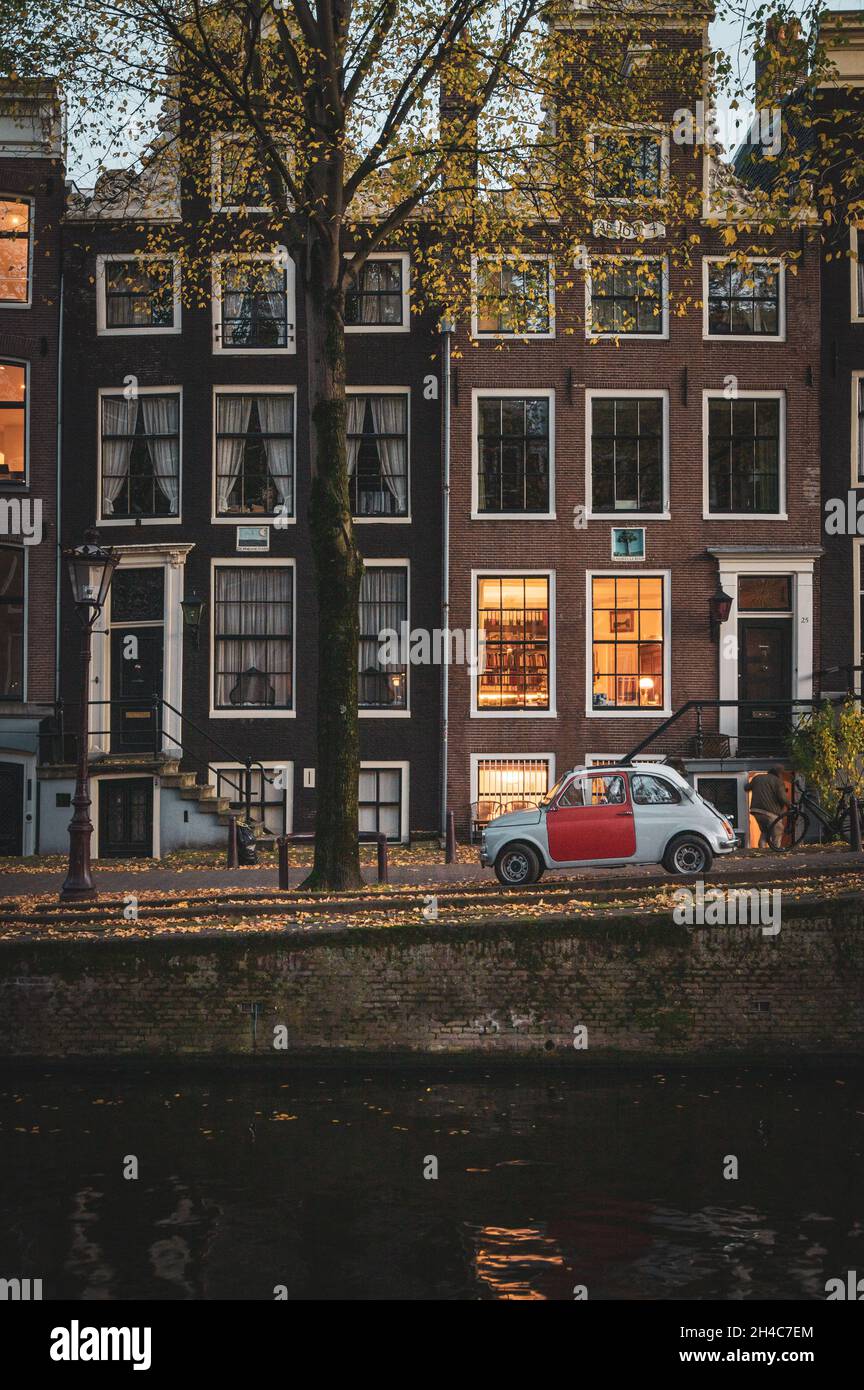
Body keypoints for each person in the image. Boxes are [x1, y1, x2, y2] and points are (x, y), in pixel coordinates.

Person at [748, 767, 790, 849]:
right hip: (770, 812)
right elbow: (782, 797)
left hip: (756, 811)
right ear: (779, 773)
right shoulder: (778, 781)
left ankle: (761, 849)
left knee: (765, 831)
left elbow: (746, 787)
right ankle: (775, 849)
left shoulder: (757, 778)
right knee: (778, 830)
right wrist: (790, 805)